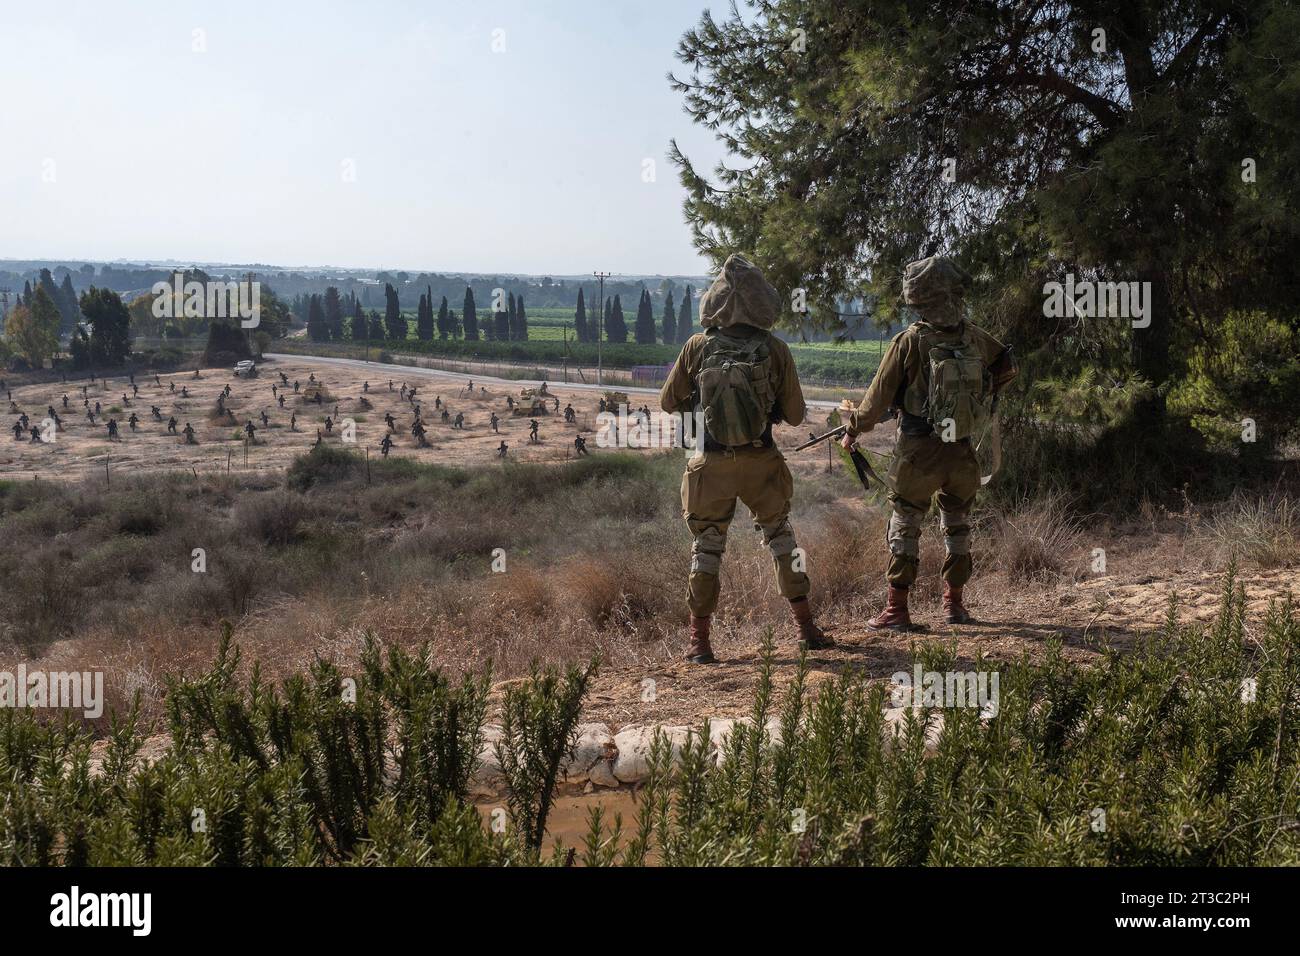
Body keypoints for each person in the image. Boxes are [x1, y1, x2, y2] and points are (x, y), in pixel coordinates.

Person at [659, 254, 832, 664]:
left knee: (706, 548)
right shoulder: (775, 349)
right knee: (781, 539)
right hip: (761, 462)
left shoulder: (697, 347)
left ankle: (699, 644)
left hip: (710, 464)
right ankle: (806, 629)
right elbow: (794, 415)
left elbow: (668, 401)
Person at [839, 255, 1018, 630]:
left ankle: (897, 610)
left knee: (905, 522)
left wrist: (853, 430)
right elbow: (1007, 365)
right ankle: (954, 606)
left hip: (919, 449)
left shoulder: (910, 340)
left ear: (917, 297)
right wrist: (979, 399)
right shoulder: (972, 336)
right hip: (961, 449)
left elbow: (874, 400)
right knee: (958, 524)